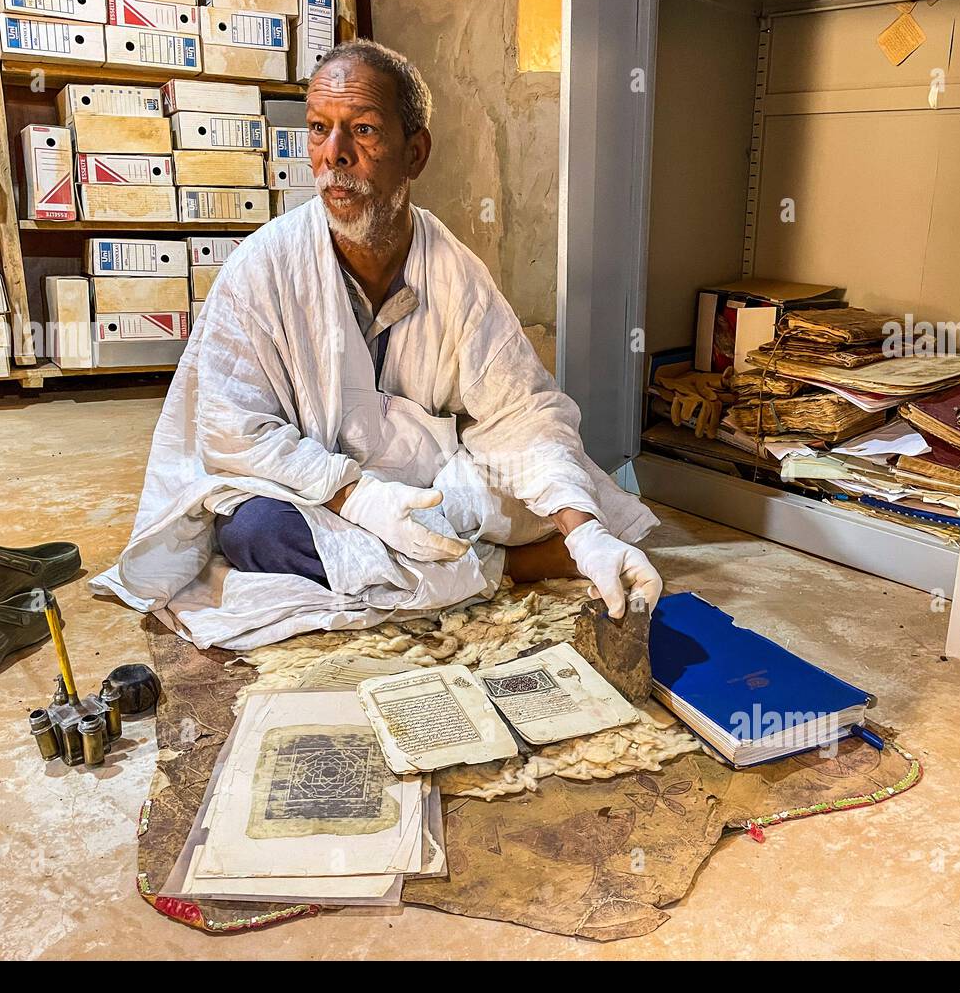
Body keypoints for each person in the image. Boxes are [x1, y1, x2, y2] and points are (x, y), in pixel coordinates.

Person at [91, 40, 661, 651]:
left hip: (432, 477)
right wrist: (359, 497)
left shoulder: (456, 272)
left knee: (558, 487)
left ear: (415, 152)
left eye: (361, 131)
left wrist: (582, 534)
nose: (334, 156)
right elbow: (231, 429)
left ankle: (479, 556)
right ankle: (506, 569)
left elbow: (519, 411)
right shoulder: (262, 268)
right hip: (312, 486)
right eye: (318, 130)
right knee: (254, 531)